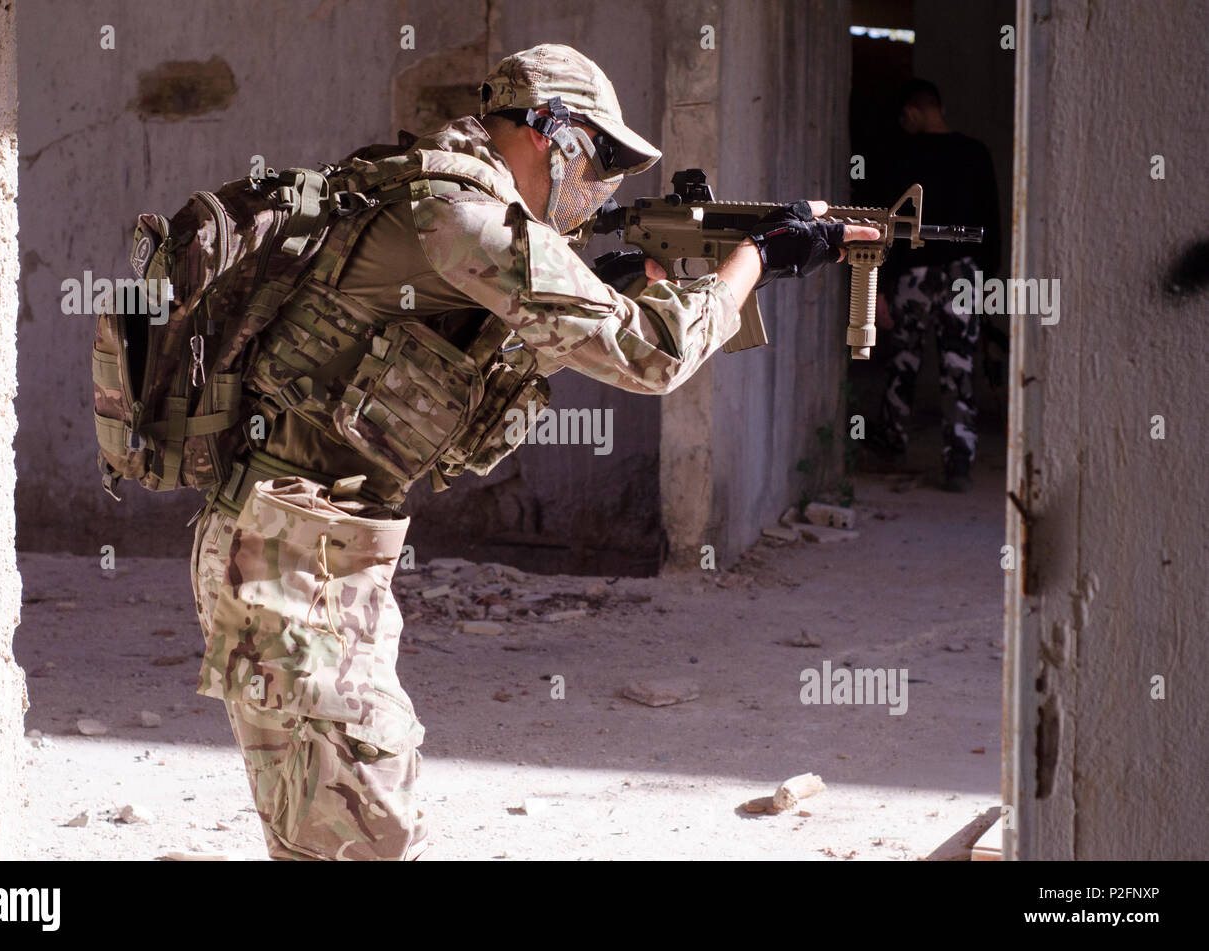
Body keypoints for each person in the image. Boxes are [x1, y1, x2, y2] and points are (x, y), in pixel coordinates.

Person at [188, 43, 879, 860]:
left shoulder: (436, 193)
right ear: (546, 132)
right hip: (289, 553)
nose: (593, 190)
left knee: (341, 827)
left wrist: (614, 286)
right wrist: (754, 261)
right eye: (593, 160)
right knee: (366, 832)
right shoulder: (461, 213)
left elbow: (461, 362)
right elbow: (652, 355)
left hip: (317, 548)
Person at [867, 78, 1002, 491]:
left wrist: (881, 287)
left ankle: (892, 440)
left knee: (902, 362)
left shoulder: (901, 155)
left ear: (911, 113)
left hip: (913, 275)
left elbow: (886, 227)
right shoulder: (976, 153)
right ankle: (959, 461)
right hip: (962, 273)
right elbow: (992, 226)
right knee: (958, 368)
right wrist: (987, 286)